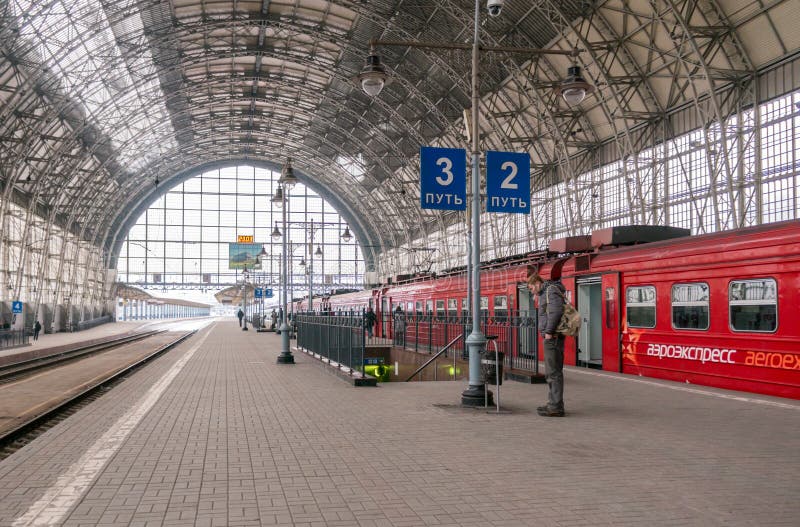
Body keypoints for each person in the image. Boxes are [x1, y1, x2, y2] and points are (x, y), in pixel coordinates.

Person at [529, 273, 566, 417]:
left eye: (531, 288)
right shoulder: (547, 292)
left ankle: (555, 406)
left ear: (537, 283)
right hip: (553, 337)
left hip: (553, 337)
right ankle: (553, 403)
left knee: (553, 372)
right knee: (553, 372)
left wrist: (549, 332)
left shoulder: (550, 291)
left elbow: (555, 312)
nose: (532, 291)